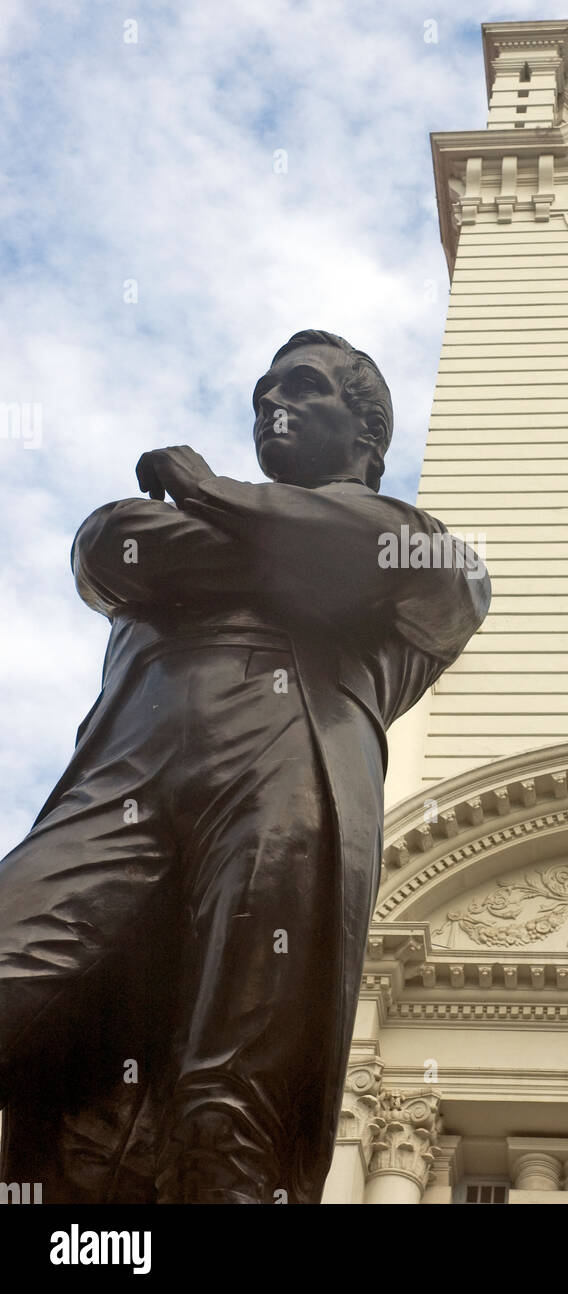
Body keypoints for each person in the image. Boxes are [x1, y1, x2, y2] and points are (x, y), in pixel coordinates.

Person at [0, 329, 490, 1203]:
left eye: (304, 389)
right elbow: (112, 546)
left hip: (288, 797)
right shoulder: (168, 527)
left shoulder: (424, 549)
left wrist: (210, 494)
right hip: (121, 790)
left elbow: (420, 565)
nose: (274, 403)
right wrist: (309, 558)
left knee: (230, 1114)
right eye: (265, 391)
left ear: (368, 435)